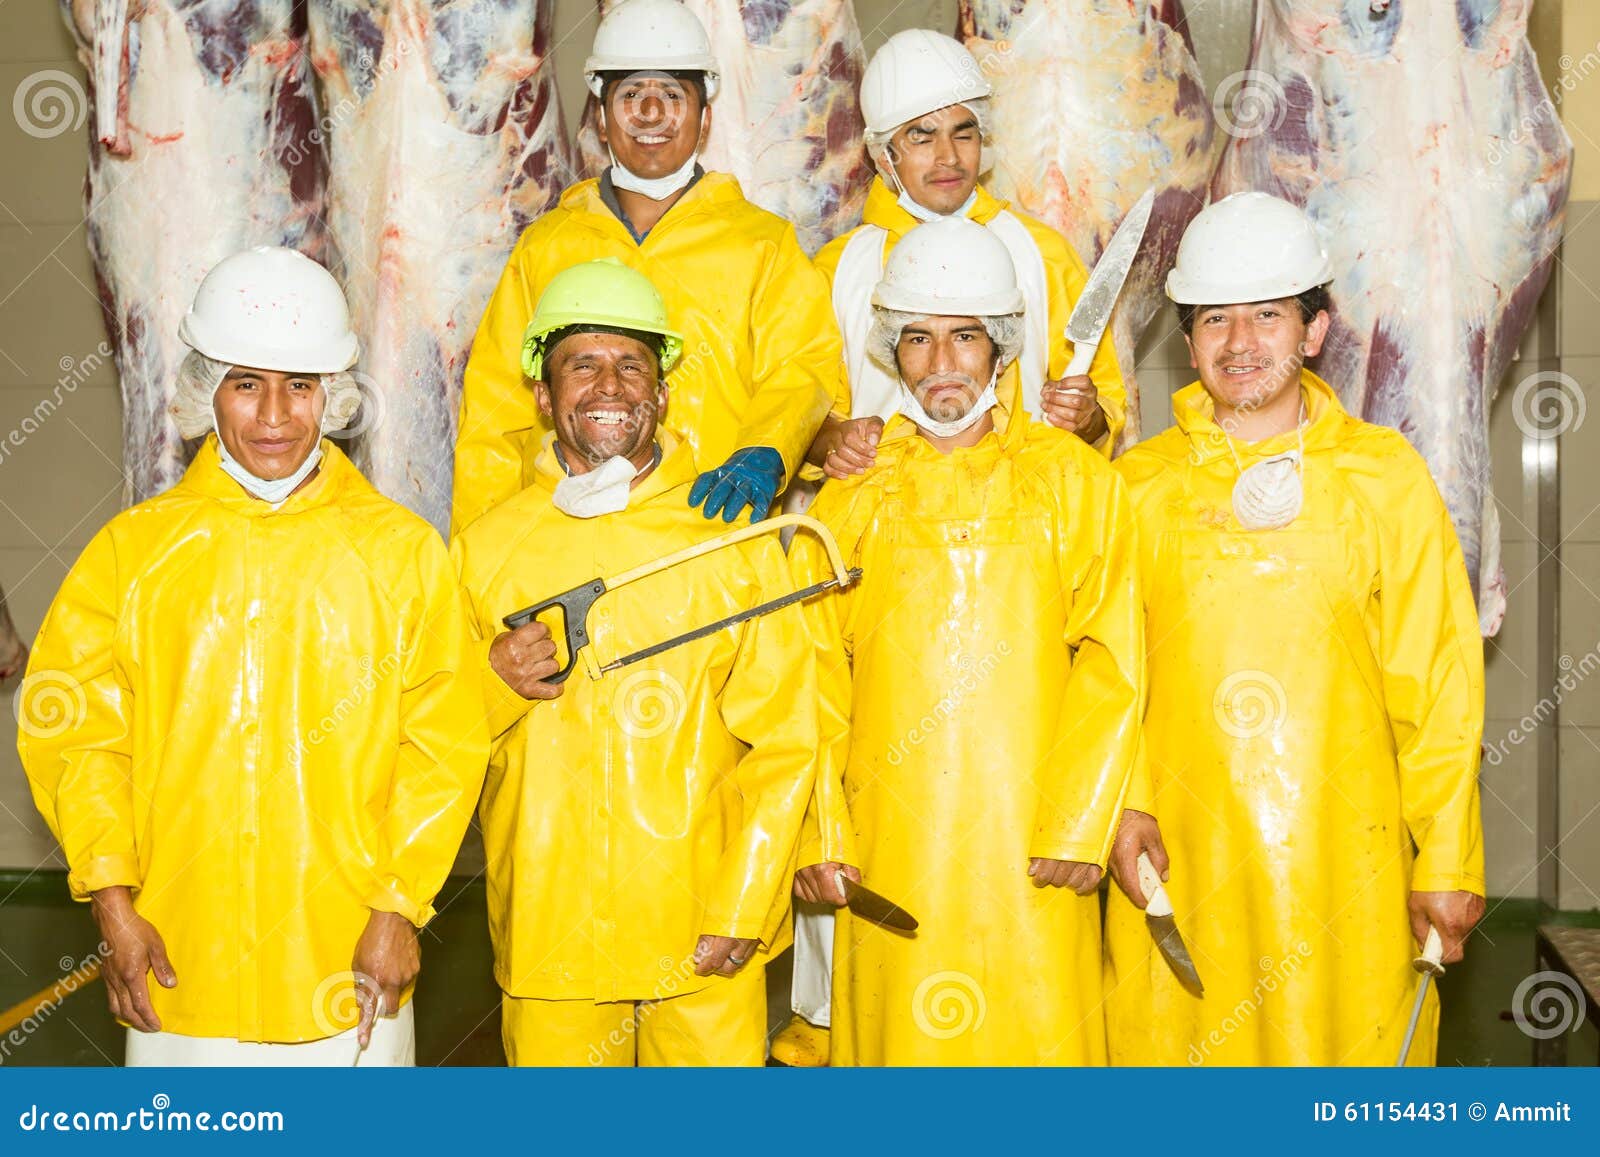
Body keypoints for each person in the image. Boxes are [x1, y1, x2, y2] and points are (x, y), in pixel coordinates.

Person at [18, 247, 489, 1067]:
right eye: (246, 384)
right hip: (178, 965)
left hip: (347, 965)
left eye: (299, 385)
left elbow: (442, 744)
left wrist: (399, 907)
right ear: (206, 390)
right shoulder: (134, 553)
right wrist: (112, 904)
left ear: (333, 396)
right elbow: (81, 739)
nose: (275, 415)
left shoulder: (402, 553)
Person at [1102, 192, 1486, 1066]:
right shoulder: (1137, 488)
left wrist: (1448, 859)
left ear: (1314, 331)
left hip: (1348, 864)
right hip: (1178, 863)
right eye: (1215, 318)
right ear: (1188, 339)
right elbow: (1105, 673)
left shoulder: (1383, 477)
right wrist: (1121, 805)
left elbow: (1438, 683)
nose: (1240, 342)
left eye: (1268, 316)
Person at [789, 218, 1144, 1065]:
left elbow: (1114, 659)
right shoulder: (851, 497)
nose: (941, 361)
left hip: (1036, 847)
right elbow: (808, 678)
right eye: (917, 337)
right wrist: (822, 832)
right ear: (891, 350)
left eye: (965, 336)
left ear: (1003, 346)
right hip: (889, 842)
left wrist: (1079, 822)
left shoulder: (1074, 480)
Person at [452, 260, 821, 1066]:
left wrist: (745, 900)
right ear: (543, 395)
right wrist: (490, 681)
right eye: (582, 364)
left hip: (701, 938)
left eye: (631, 365)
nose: (609, 386)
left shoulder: (729, 539)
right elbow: (428, 741)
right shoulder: (484, 550)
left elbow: (787, 741)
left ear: (662, 392)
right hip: (550, 937)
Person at [450, 0, 838, 534]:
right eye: (630, 95)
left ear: (704, 119)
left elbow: (802, 368)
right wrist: (485, 551)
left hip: (714, 537)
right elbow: (495, 420)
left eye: (673, 95)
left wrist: (768, 448)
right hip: (562, 545)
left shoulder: (763, 245)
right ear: (601, 118)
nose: (651, 113)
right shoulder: (545, 247)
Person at [803, 29, 1127, 486]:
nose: (949, 158)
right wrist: (831, 441)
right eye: (921, 138)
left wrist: (1088, 417)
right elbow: (806, 411)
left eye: (964, 133)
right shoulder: (837, 269)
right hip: (883, 518)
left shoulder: (1043, 253)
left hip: (1028, 515)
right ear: (884, 155)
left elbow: (1103, 405)